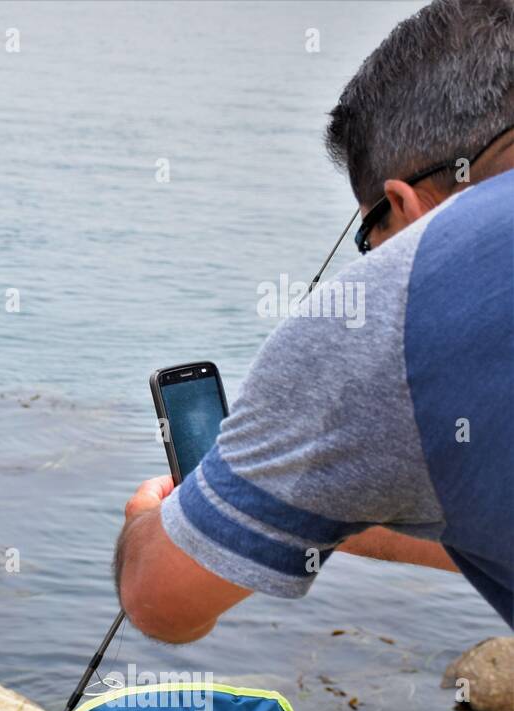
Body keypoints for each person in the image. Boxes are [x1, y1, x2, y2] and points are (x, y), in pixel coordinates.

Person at [113, 0, 514, 642]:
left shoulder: (391, 305)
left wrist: (145, 526)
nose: (376, 256)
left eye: (370, 234)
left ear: (402, 204)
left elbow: (163, 601)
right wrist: (306, 515)